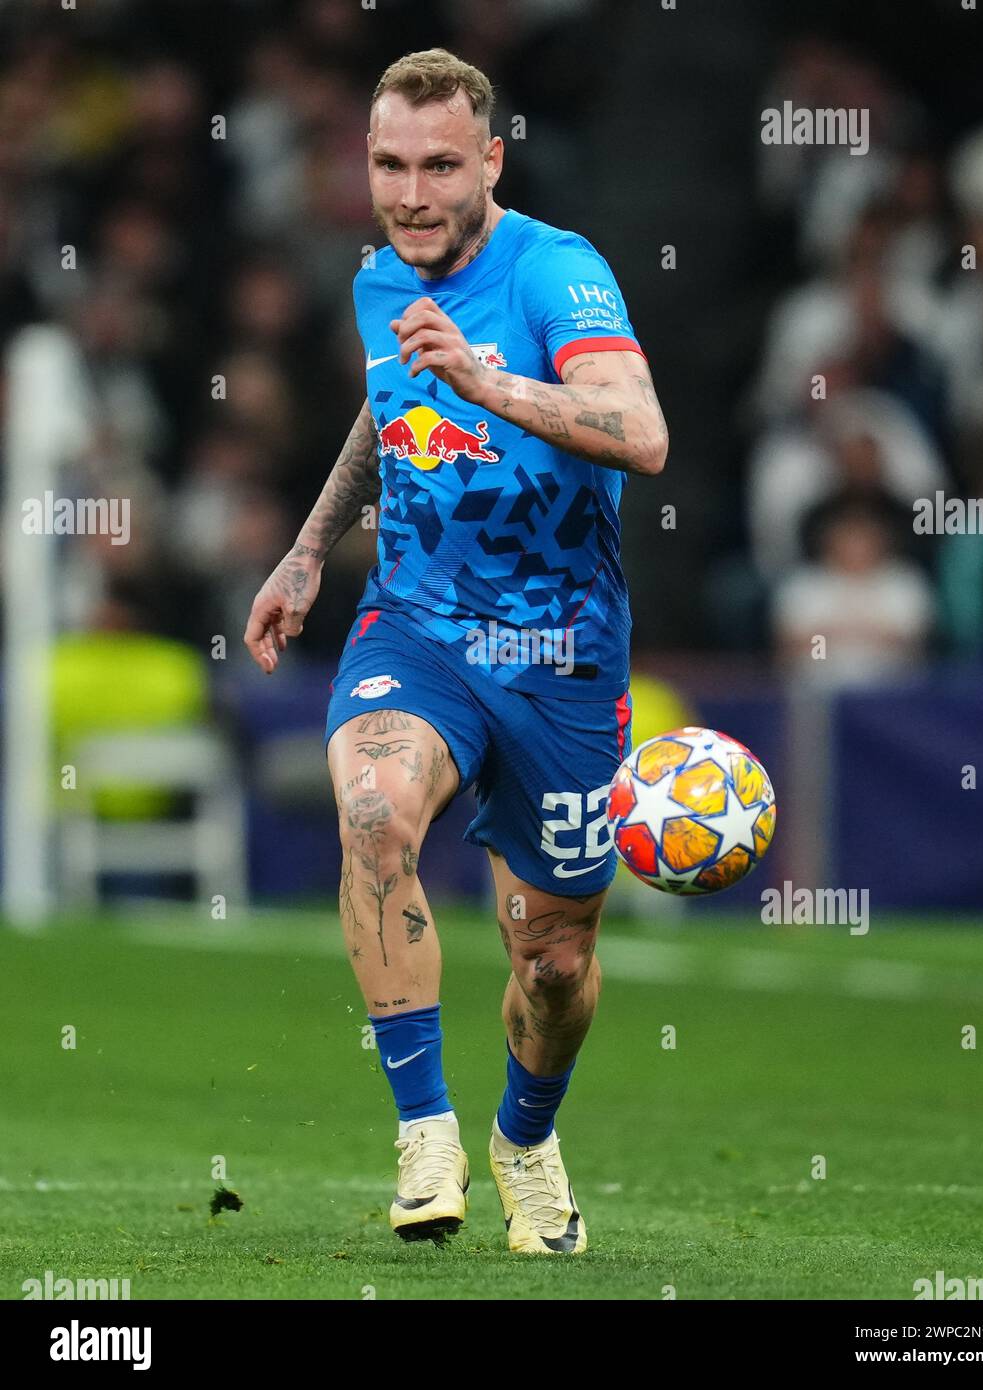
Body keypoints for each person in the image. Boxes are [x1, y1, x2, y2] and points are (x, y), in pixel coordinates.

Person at [244, 48, 667, 1255]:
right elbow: (390, 407)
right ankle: (422, 1128)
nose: (411, 193)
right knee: (372, 812)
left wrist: (491, 379)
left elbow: (640, 433)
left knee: (551, 961)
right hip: (418, 624)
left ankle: (523, 1136)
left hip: (561, 650)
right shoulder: (381, 276)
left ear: (491, 158)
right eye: (388, 164)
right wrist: (312, 546)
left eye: (439, 165)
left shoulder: (556, 273)